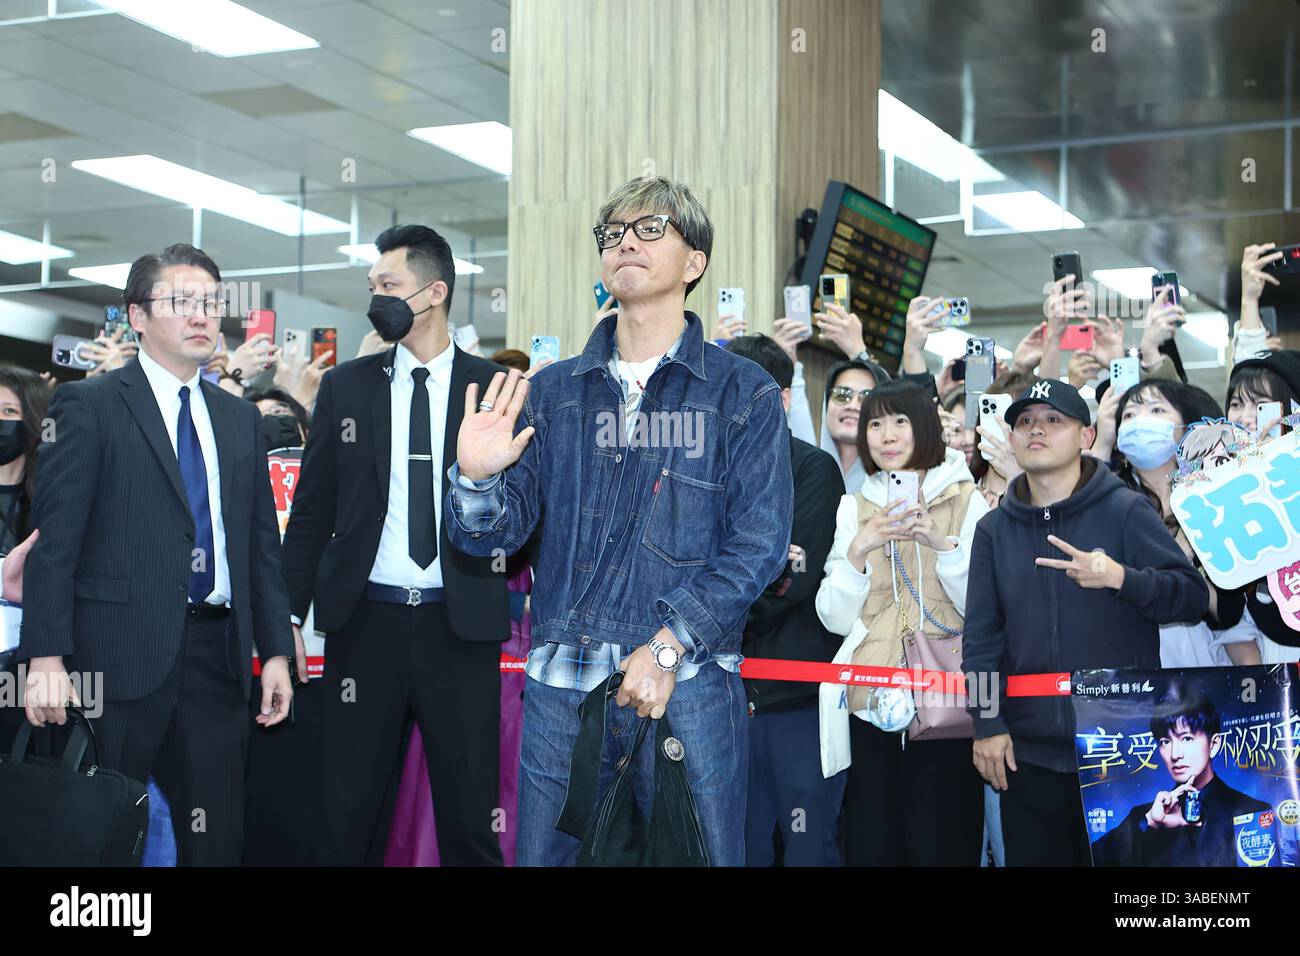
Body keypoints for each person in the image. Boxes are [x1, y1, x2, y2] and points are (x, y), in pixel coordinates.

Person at [445, 176, 792, 867]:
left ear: (695, 262)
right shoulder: (554, 391)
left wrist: (666, 648)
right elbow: (488, 537)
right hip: (563, 686)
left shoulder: (739, 391)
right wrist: (477, 478)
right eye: (612, 234)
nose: (625, 241)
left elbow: (760, 545)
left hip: (688, 685)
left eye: (649, 229)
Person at [17, 243, 295, 866]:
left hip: (217, 660)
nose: (202, 316)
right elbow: (55, 543)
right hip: (113, 658)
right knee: (101, 840)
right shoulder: (90, 406)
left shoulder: (238, 419)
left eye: (211, 304)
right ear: (137, 317)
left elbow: (258, 548)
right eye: (181, 303)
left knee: (215, 841)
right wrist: (46, 656)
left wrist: (275, 650)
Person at [280, 224, 511, 866]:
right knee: (346, 815)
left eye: (389, 285)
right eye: (372, 285)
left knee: (469, 822)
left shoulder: (493, 390)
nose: (375, 297)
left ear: (434, 293)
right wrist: (287, 617)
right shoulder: (346, 387)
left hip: (459, 625)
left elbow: (522, 518)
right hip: (366, 623)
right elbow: (311, 515)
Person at [963, 379, 1208, 866]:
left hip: (1123, 754)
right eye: (1026, 422)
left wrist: (1122, 578)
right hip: (1027, 756)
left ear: (1087, 436)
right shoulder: (993, 530)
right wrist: (986, 723)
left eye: (1055, 420)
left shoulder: (1124, 509)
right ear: (1010, 440)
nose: (1037, 430)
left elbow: (1191, 597)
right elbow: (981, 640)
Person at [816, 380, 990, 865]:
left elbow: (982, 603)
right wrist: (857, 552)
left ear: (925, 428)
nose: (886, 435)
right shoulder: (854, 506)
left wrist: (940, 544)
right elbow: (833, 617)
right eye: (875, 423)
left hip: (949, 696)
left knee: (944, 838)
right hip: (872, 700)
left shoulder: (964, 499)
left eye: (899, 422)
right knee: (875, 841)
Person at [721, 334, 846, 866]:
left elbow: (796, 578)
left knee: (808, 848)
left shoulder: (813, 469)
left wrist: (712, 613)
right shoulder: (706, 471)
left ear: (784, 399)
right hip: (723, 696)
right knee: (733, 846)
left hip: (798, 698)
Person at [1099, 379, 1249, 668]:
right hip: (1128, 668)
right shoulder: (1107, 504)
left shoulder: (1213, 503)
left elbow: (1229, 611)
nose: (1139, 421)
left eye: (1156, 411)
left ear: (1188, 427)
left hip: (1201, 670)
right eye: (1129, 415)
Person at [1091, 689, 1271, 867]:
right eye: (1165, 742)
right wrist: (1149, 822)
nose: (1175, 754)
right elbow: (1097, 860)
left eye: (1186, 738)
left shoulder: (1252, 811)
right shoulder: (1144, 817)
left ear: (1214, 744)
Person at [818, 358, 892, 494]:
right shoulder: (796, 468)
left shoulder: (893, 483)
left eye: (868, 398)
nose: (853, 406)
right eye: (842, 395)